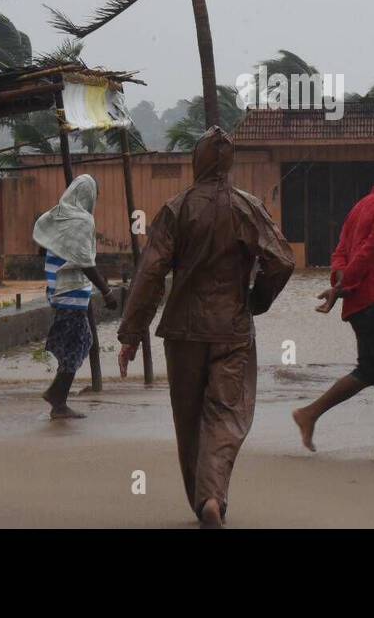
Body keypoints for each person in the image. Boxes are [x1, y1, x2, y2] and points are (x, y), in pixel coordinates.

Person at [117, 126, 294, 528]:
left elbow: (149, 275)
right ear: (229, 164)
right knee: (226, 415)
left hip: (182, 332)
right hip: (232, 330)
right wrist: (256, 301)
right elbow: (282, 261)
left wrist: (130, 335)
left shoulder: (175, 209)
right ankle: (213, 496)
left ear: (196, 162)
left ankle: (203, 503)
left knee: (189, 417)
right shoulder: (247, 207)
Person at [292, 158, 374, 463]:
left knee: (369, 369)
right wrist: (341, 287)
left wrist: (340, 284)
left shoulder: (363, 204)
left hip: (360, 301)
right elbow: (367, 254)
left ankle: (309, 413)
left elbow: (341, 250)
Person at [32, 174, 113, 419]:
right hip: (72, 293)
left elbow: (40, 246)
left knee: (78, 342)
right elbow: (84, 261)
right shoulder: (82, 221)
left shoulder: (54, 215)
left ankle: (58, 393)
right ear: (87, 196)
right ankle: (58, 399)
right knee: (79, 344)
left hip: (57, 290)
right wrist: (107, 292)